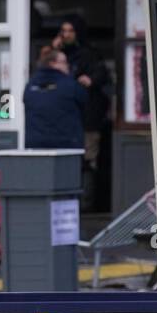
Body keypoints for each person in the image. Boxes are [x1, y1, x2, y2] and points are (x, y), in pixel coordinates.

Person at [52, 15, 113, 208]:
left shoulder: (88, 54)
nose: (67, 35)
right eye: (64, 31)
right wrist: (54, 50)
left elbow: (101, 75)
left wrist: (91, 79)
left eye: (70, 31)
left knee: (87, 160)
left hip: (87, 117)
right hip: (65, 119)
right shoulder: (59, 55)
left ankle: (86, 204)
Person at [23, 47, 87, 149]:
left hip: (35, 145)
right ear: (52, 64)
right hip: (66, 145)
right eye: (64, 62)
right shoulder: (71, 85)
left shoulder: (30, 85)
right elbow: (85, 103)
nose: (68, 66)